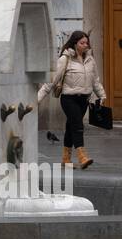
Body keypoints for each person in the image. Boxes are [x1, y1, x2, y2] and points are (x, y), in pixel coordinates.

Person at [38, 30, 106, 169]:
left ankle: (66, 159)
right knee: (78, 126)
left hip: (84, 100)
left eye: (87, 43)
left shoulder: (90, 59)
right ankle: (82, 156)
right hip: (69, 99)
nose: (85, 45)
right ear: (74, 43)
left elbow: (95, 80)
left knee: (71, 127)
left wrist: (102, 95)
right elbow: (52, 80)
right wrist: (37, 99)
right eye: (82, 43)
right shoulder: (65, 59)